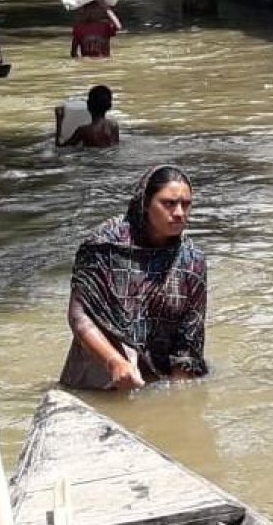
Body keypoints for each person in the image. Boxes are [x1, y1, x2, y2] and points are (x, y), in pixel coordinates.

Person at [59, 165, 207, 390]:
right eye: (168, 203)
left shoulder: (191, 261)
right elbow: (79, 317)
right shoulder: (104, 246)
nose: (179, 213)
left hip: (156, 376)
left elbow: (188, 342)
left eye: (185, 205)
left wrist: (177, 400)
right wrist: (114, 363)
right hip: (99, 370)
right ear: (146, 204)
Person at [55, 85, 119, 147]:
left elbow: (60, 146)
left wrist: (59, 119)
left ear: (88, 104)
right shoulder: (114, 126)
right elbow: (115, 146)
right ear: (109, 106)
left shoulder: (83, 131)